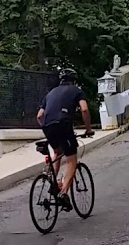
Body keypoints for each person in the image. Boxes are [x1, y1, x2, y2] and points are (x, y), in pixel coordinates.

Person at [36, 67, 94, 210]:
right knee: (71, 159)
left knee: (57, 152)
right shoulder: (76, 91)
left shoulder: (50, 93)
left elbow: (39, 116)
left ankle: (53, 182)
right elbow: (84, 109)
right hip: (63, 124)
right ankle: (63, 193)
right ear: (73, 81)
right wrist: (88, 129)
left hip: (48, 126)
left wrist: (48, 129)